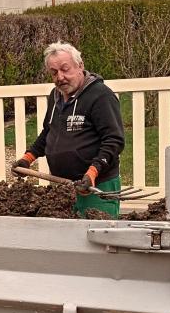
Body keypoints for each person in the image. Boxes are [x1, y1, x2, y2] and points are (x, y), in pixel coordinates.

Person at [10, 42, 125, 217]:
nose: (60, 77)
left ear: (80, 66)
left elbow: (114, 140)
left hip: (97, 187)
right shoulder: (55, 97)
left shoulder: (101, 96)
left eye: (65, 69)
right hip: (63, 189)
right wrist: (27, 158)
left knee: (97, 241)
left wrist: (92, 172)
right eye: (54, 72)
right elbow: (49, 132)